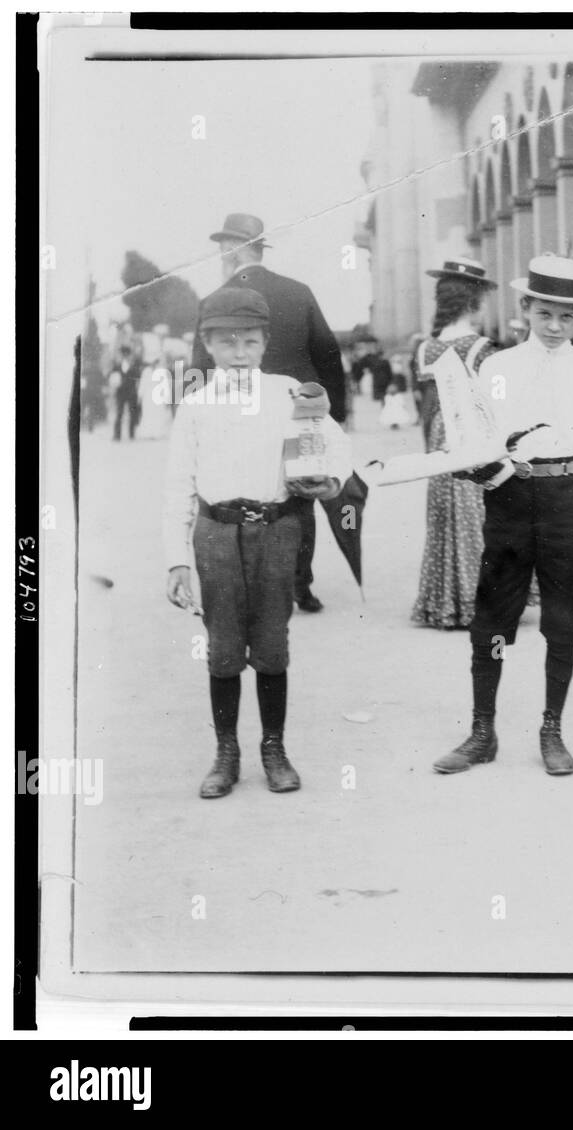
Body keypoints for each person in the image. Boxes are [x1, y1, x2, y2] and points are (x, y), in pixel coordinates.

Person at [435, 256, 573, 777]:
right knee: (492, 619)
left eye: (568, 317)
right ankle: (481, 731)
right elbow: (478, 436)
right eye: (546, 314)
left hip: (569, 500)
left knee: (563, 620)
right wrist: (476, 466)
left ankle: (552, 729)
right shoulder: (496, 370)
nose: (556, 326)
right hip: (511, 499)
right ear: (525, 309)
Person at [163, 289, 351, 799]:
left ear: (265, 342)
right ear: (208, 344)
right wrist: (176, 560)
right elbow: (178, 483)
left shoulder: (290, 393)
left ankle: (274, 747)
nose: (240, 352)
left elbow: (335, 445)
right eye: (227, 343)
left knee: (271, 644)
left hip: (277, 530)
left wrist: (328, 479)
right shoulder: (197, 405)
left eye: (250, 341)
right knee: (223, 649)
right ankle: (226, 751)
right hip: (217, 534)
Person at [191, 212, 352, 614]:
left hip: (237, 415)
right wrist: (337, 413)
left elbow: (197, 367)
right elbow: (328, 353)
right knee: (303, 493)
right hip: (300, 413)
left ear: (231, 249)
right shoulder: (299, 291)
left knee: (246, 490)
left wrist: (193, 414)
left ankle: (251, 580)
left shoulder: (215, 301)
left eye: (222, 248)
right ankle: (301, 584)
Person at [411, 257, 499, 630]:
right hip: (474, 437)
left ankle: (443, 597)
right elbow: (493, 402)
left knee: (445, 517)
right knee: (478, 517)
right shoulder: (481, 348)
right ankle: (476, 599)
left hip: (439, 440)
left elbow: (427, 408)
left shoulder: (425, 349)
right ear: (474, 302)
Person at [110, 344, 143, 441]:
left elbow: (138, 376)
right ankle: (117, 435)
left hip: (131, 392)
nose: (125, 356)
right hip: (120, 392)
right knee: (119, 413)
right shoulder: (117, 365)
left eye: (126, 354)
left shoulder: (134, 365)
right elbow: (112, 377)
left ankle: (131, 433)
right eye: (123, 354)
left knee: (132, 413)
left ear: (129, 355)